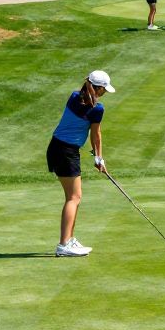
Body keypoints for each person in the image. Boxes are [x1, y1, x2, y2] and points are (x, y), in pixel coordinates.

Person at [46, 70, 115, 257]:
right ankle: (63, 245)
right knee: (73, 197)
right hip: (66, 152)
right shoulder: (97, 109)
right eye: (104, 90)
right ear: (98, 88)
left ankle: (69, 240)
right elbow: (96, 135)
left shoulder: (74, 96)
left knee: (74, 197)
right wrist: (99, 158)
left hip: (57, 147)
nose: (104, 93)